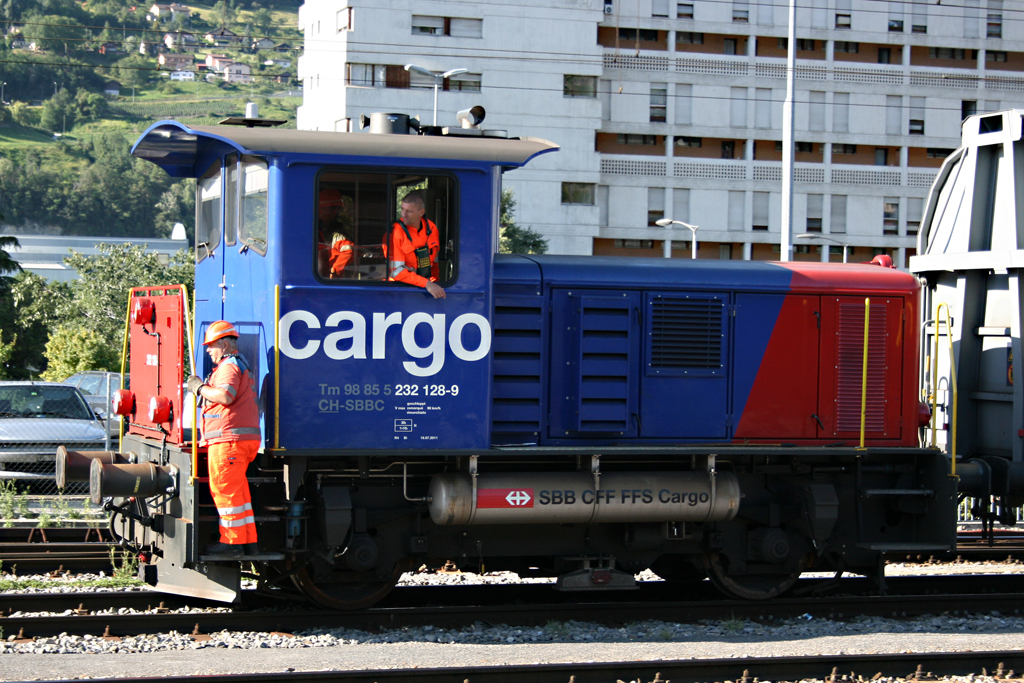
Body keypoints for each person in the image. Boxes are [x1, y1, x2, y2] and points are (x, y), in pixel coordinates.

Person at [186, 321, 261, 559]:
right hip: (239, 440)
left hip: (228, 440)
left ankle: (231, 543)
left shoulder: (228, 367)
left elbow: (225, 396)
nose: (208, 350)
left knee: (225, 491)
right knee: (239, 495)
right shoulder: (237, 365)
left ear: (225, 344)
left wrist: (198, 388)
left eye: (211, 345)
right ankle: (249, 541)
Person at [383, 191, 446, 299]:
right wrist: (427, 284)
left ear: (421, 213)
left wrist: (436, 286)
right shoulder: (394, 232)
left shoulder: (431, 228)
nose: (403, 214)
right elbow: (396, 272)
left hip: (425, 290)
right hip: (398, 292)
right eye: (402, 209)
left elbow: (434, 264)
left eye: (409, 211)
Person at [317, 188, 355, 278]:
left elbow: (348, 251)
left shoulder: (337, 233)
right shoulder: (315, 229)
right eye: (332, 209)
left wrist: (335, 271)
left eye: (337, 210)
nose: (335, 213)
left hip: (324, 278)